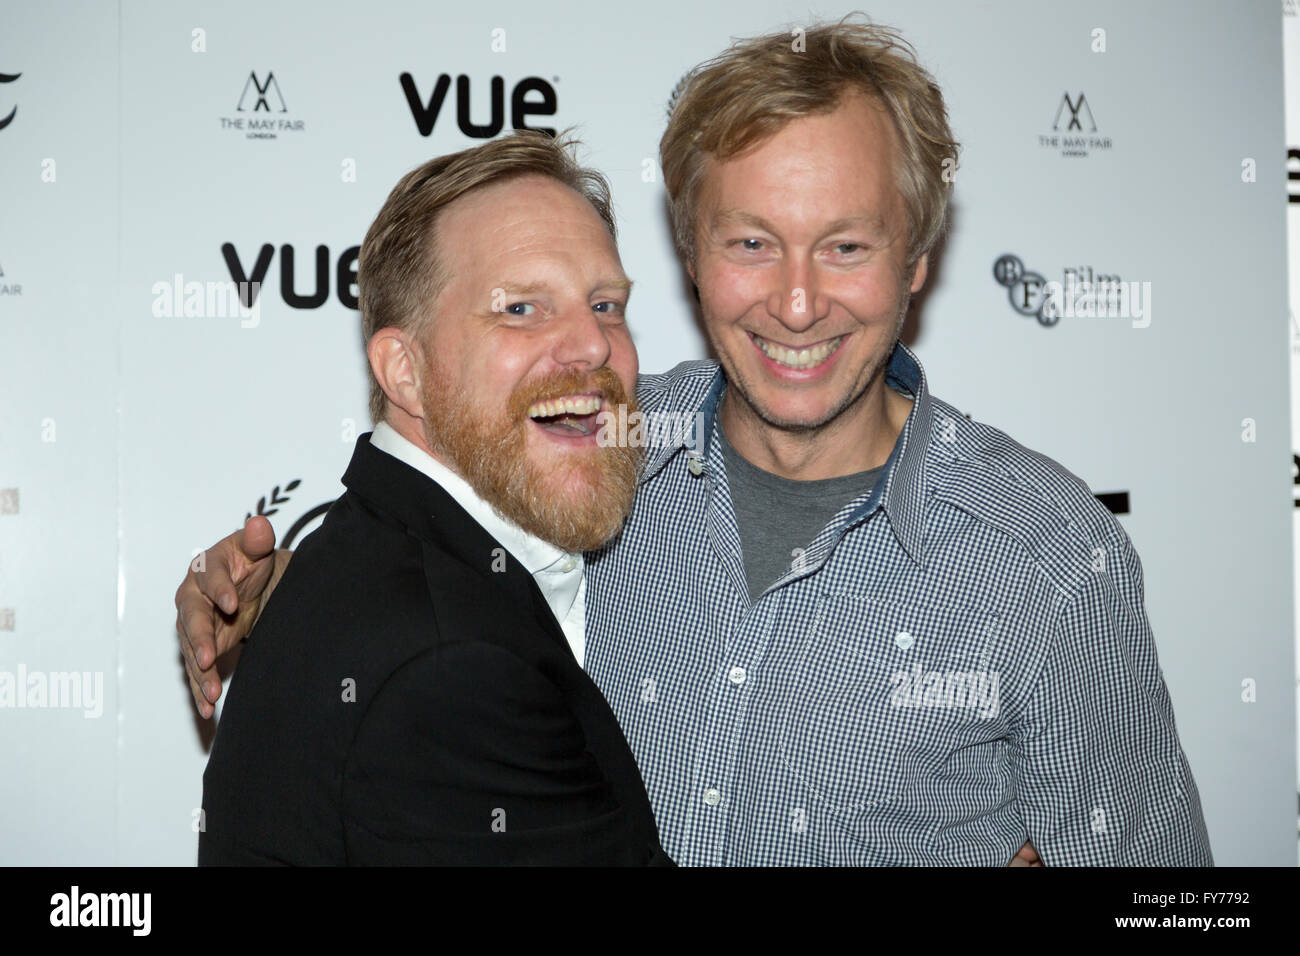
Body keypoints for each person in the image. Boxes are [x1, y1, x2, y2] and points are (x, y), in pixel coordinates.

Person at [180, 16, 1210, 865]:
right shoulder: (590, 446)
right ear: (690, 256)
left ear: (916, 266)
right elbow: (433, 488)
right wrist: (274, 588)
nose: (797, 301)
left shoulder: (1045, 556)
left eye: (845, 246)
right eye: (751, 243)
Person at [198, 132, 670, 865]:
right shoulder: (457, 668)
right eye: (520, 309)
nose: (593, 345)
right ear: (404, 372)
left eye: (606, 304)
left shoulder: (356, 556)